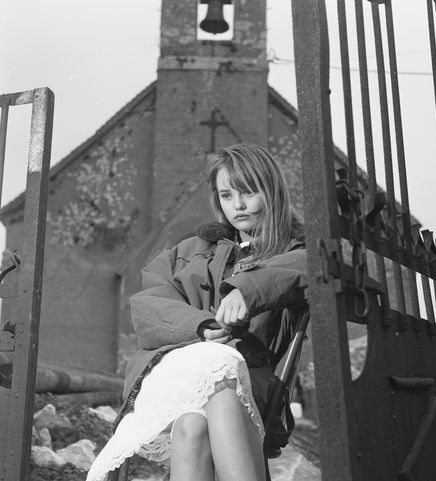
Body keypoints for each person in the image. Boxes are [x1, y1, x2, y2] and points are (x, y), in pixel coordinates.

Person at [86, 143, 309, 481]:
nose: (238, 205)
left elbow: (318, 265)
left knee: (193, 425)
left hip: (248, 380)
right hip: (175, 370)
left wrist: (248, 289)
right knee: (215, 365)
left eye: (249, 192)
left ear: (272, 190)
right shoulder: (190, 251)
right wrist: (201, 326)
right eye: (226, 195)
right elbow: (148, 305)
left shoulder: (295, 249)